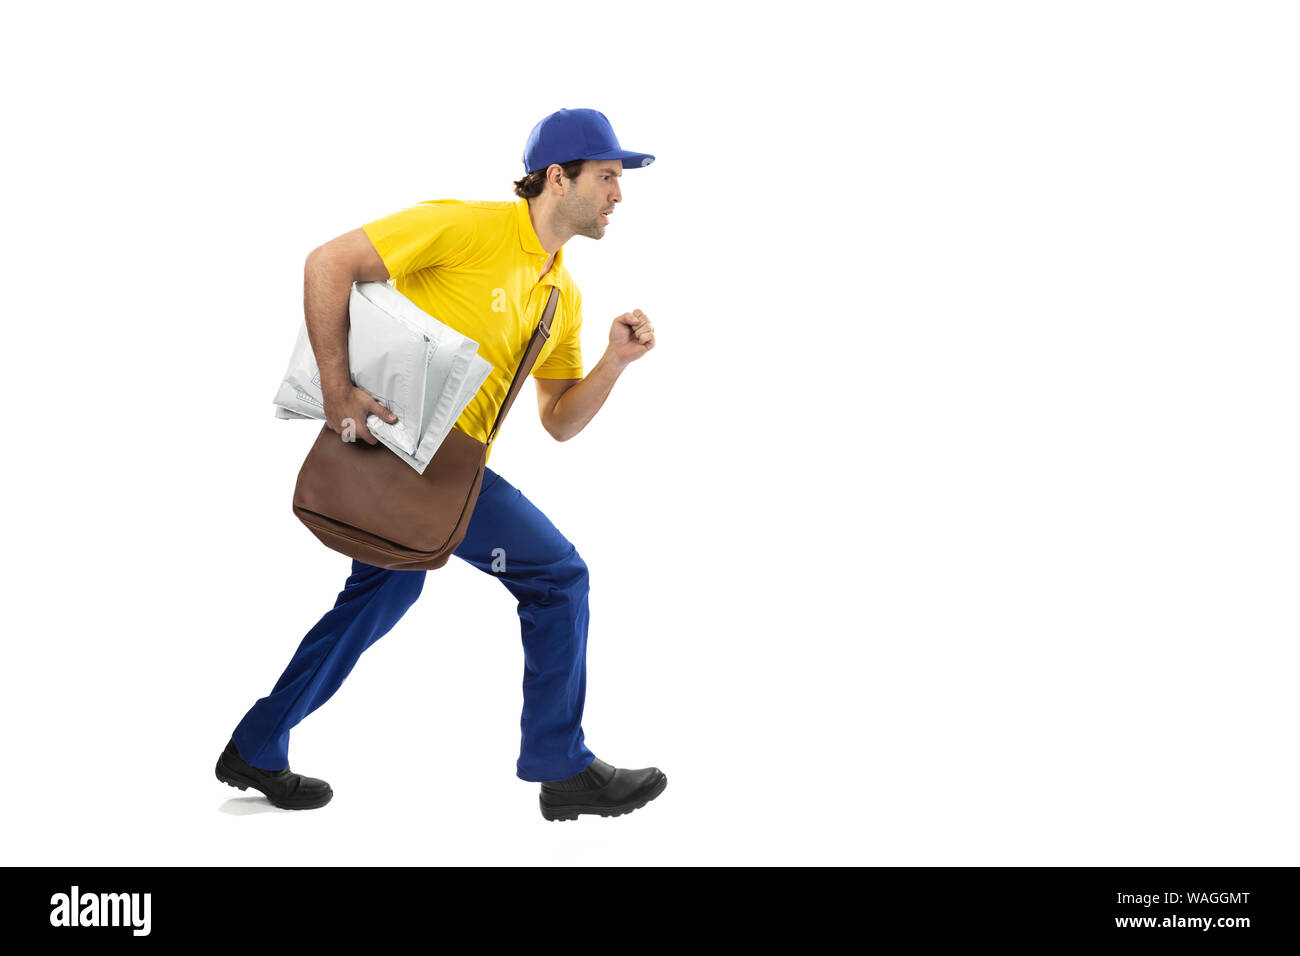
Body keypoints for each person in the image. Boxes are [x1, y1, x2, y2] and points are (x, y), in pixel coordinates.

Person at [215, 108, 666, 822]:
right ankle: (560, 765)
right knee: (557, 577)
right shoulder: (468, 227)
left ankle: (258, 744)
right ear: (559, 177)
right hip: (414, 456)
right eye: (608, 176)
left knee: (383, 595)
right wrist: (338, 393)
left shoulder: (561, 293)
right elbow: (328, 263)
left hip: (449, 472)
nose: (619, 194)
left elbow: (558, 422)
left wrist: (614, 361)